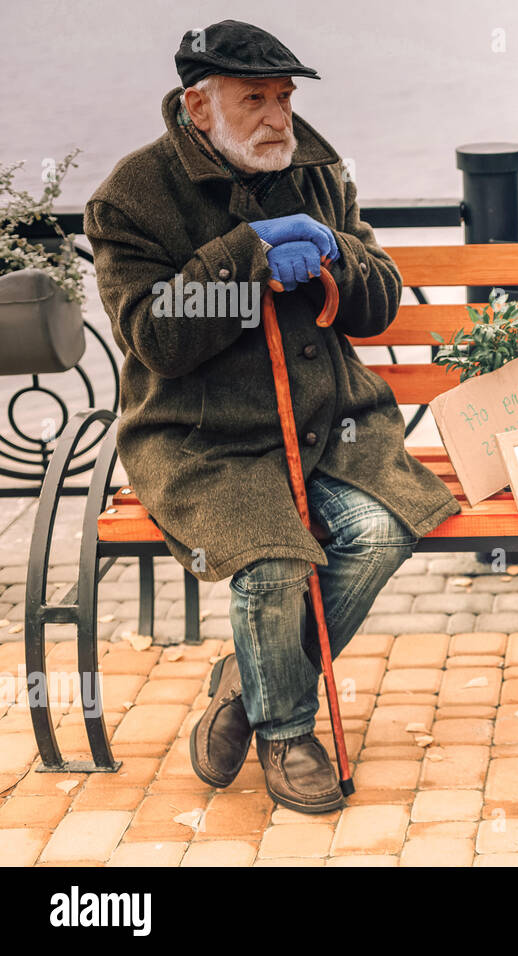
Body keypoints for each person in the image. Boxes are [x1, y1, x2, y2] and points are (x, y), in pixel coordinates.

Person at [83, 20, 460, 813]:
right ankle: (287, 732)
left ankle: (245, 684)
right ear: (198, 104)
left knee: (382, 528)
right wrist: (243, 256)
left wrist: (335, 251)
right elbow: (157, 337)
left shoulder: (316, 171)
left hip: (333, 423)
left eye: (283, 97)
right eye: (254, 98)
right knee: (274, 559)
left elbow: (378, 305)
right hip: (202, 440)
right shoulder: (131, 196)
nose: (278, 118)